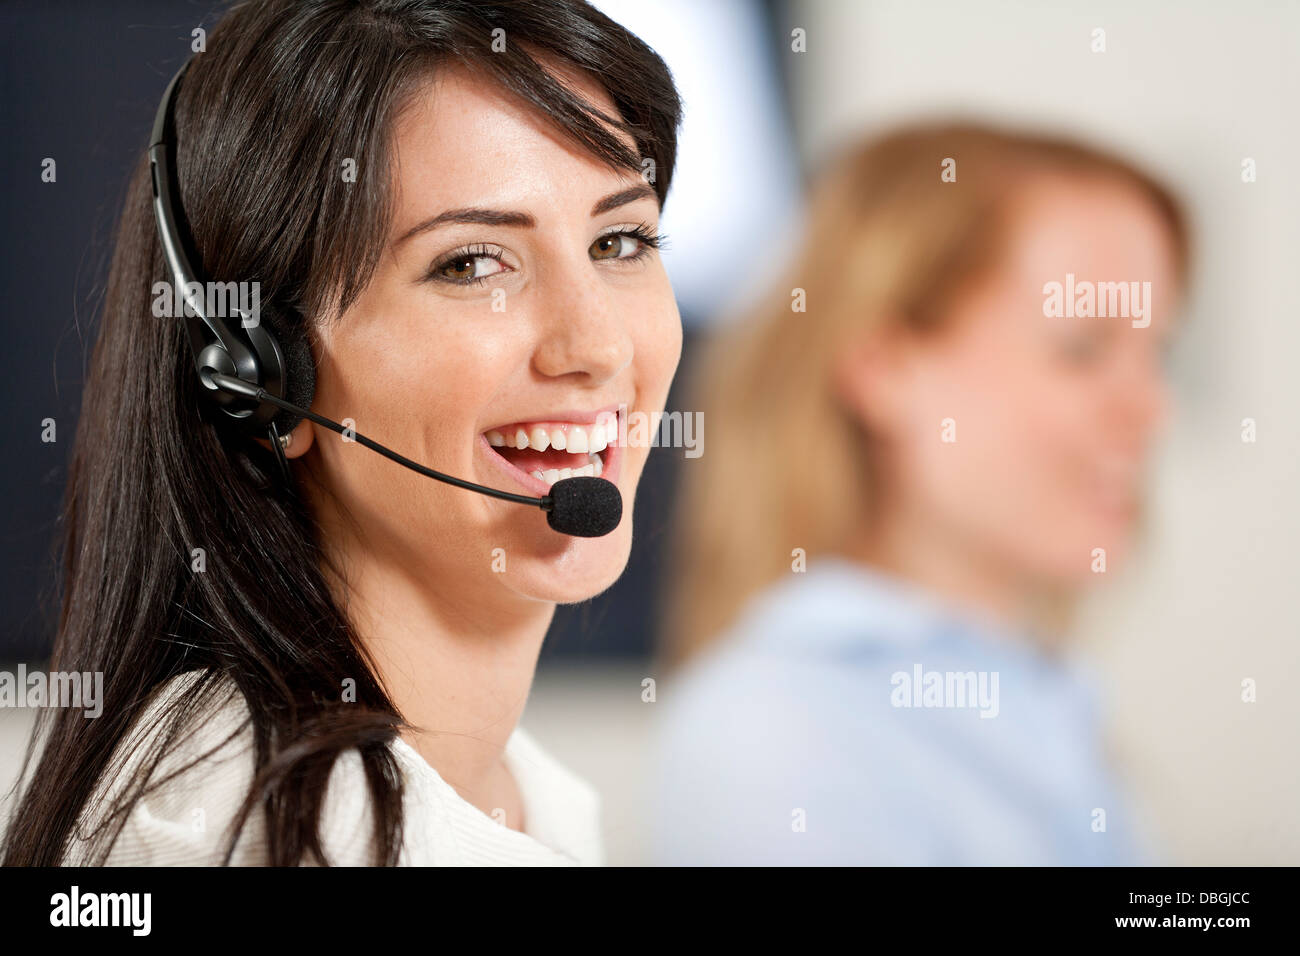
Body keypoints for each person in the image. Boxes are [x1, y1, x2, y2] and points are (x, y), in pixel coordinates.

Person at [3, 0, 682, 866]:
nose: (597, 346)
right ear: (263, 377)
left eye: (621, 240)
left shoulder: (536, 801)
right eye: (471, 263)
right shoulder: (244, 826)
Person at [654, 123, 1188, 865]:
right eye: (1083, 349)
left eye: (1157, 351)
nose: (1154, 409)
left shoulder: (1044, 694)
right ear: (884, 367)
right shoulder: (775, 733)